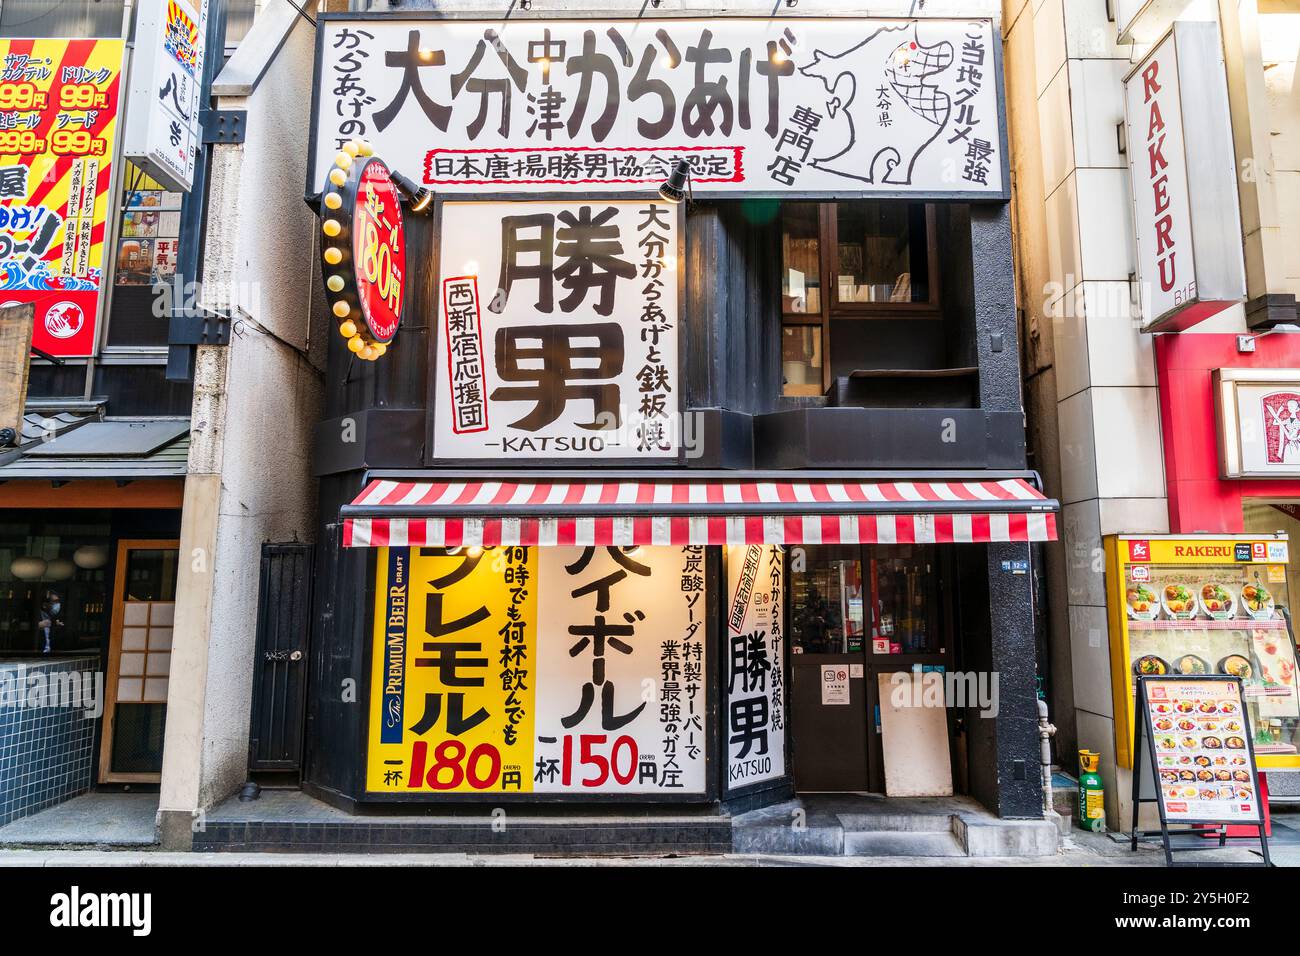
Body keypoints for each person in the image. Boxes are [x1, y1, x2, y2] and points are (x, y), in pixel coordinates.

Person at [38, 589, 64, 654]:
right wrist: (37, 626)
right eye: (54, 601)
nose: (58, 604)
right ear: (44, 605)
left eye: (58, 601)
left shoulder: (55, 619)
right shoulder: (36, 617)